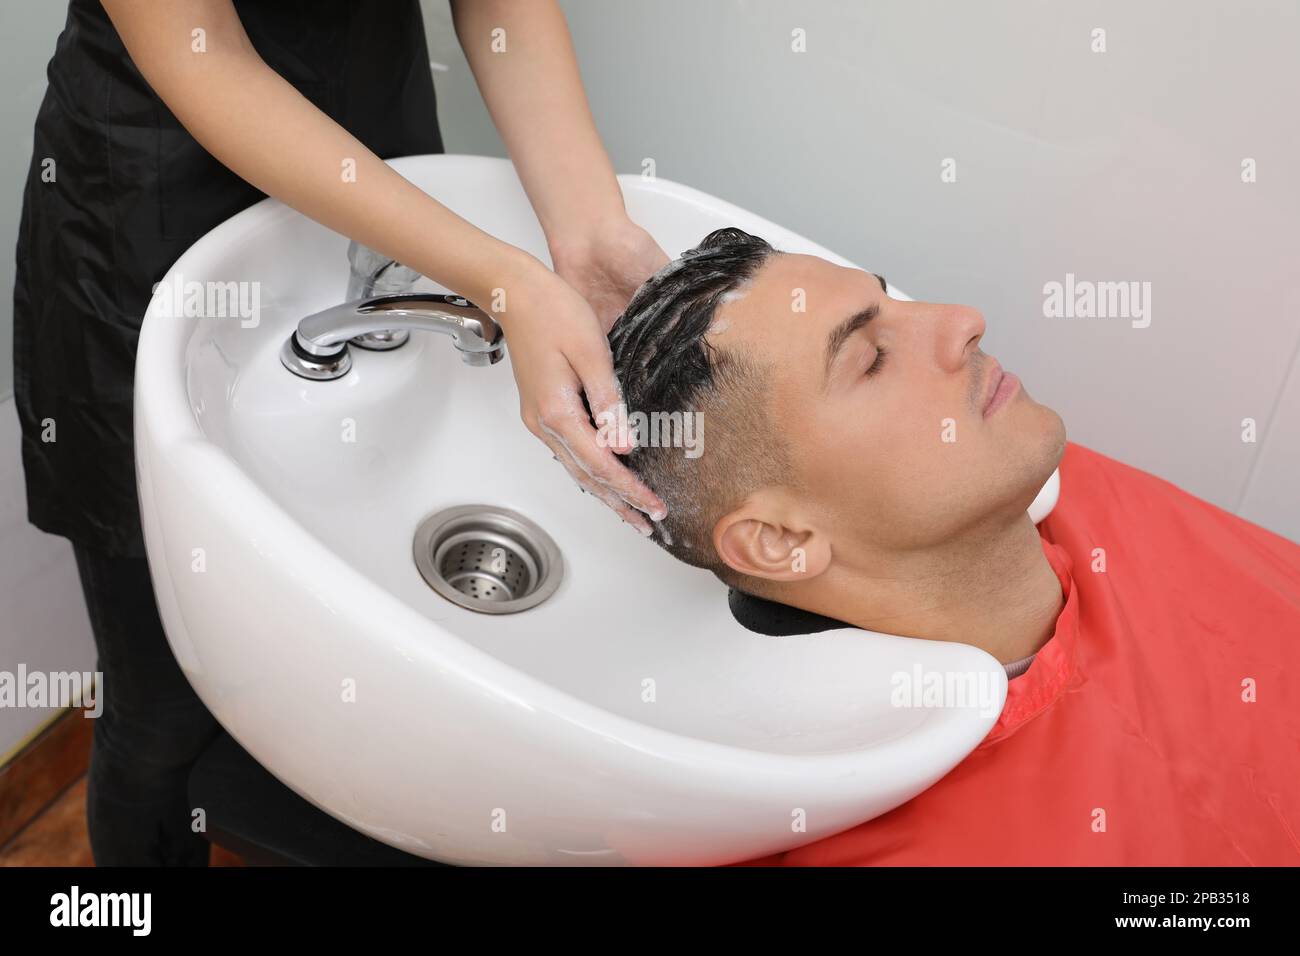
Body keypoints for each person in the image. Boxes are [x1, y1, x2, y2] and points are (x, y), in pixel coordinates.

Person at [13, 0, 666, 865]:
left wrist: (589, 233)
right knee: (162, 709)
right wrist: (501, 278)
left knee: (368, 669)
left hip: (386, 182)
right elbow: (202, 55)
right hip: (155, 208)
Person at [606, 227, 1300, 865]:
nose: (963, 321)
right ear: (782, 539)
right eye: (873, 359)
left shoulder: (1034, 470)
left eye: (888, 298)